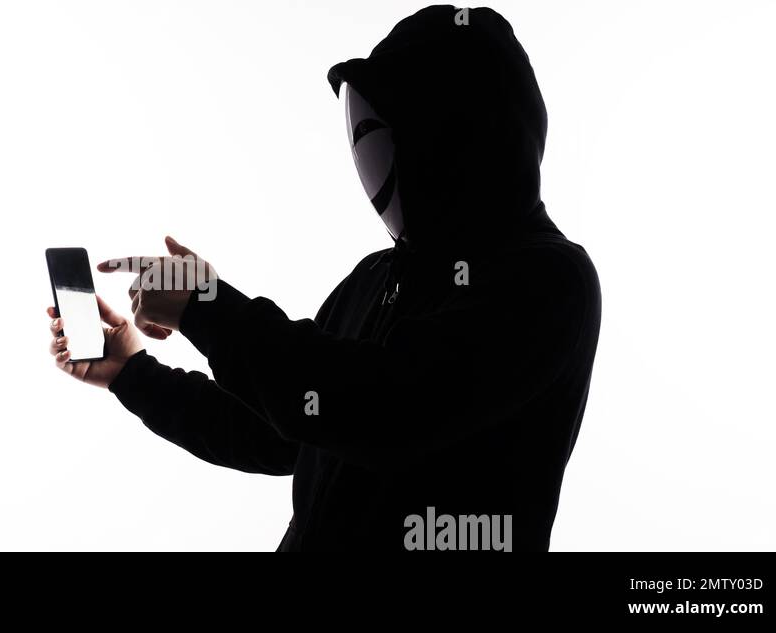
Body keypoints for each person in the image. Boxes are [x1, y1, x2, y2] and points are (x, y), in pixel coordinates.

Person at [45, 5, 601, 551]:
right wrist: (131, 372)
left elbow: (383, 411)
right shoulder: (381, 276)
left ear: (456, 141)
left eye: (391, 137)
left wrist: (203, 304)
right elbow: (280, 427)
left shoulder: (549, 281)